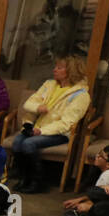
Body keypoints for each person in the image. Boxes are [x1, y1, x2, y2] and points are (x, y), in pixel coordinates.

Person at [10, 55, 91, 193]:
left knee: (29, 143)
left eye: (59, 68)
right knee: (17, 141)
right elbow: (29, 103)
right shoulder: (49, 85)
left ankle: (37, 181)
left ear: (71, 71)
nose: (54, 70)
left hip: (59, 133)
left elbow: (67, 123)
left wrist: (42, 131)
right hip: (37, 127)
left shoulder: (81, 95)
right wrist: (35, 113)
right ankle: (24, 177)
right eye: (55, 67)